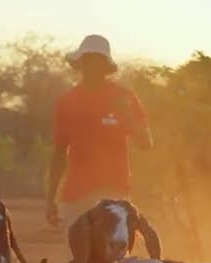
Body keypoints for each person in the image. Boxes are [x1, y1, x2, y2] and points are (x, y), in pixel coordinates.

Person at [45, 35, 153, 232]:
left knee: (115, 260)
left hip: (114, 193)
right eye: (88, 59)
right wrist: (50, 198)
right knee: (79, 259)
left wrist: (127, 116)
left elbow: (146, 143)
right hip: (76, 194)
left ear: (106, 65)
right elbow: (59, 152)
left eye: (98, 60)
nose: (92, 65)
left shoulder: (124, 98)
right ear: (80, 63)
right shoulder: (67, 101)